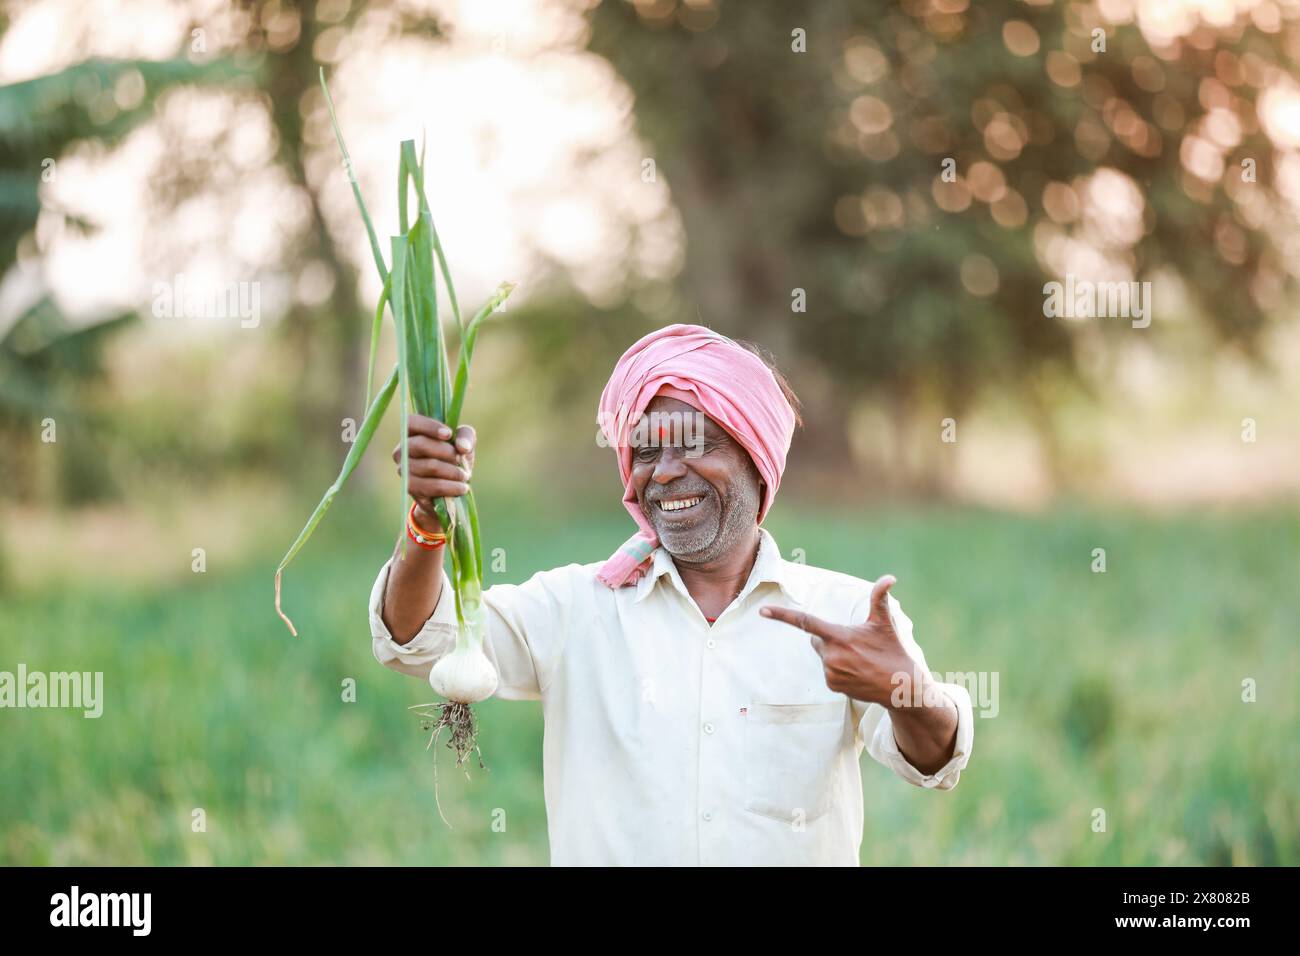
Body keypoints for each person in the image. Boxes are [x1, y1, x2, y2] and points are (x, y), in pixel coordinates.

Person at [369, 323, 974, 866]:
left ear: (756, 457)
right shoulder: (576, 607)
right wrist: (429, 517)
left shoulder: (844, 615)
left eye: (695, 444)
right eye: (647, 450)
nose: (663, 473)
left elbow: (934, 763)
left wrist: (906, 691)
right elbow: (420, 641)